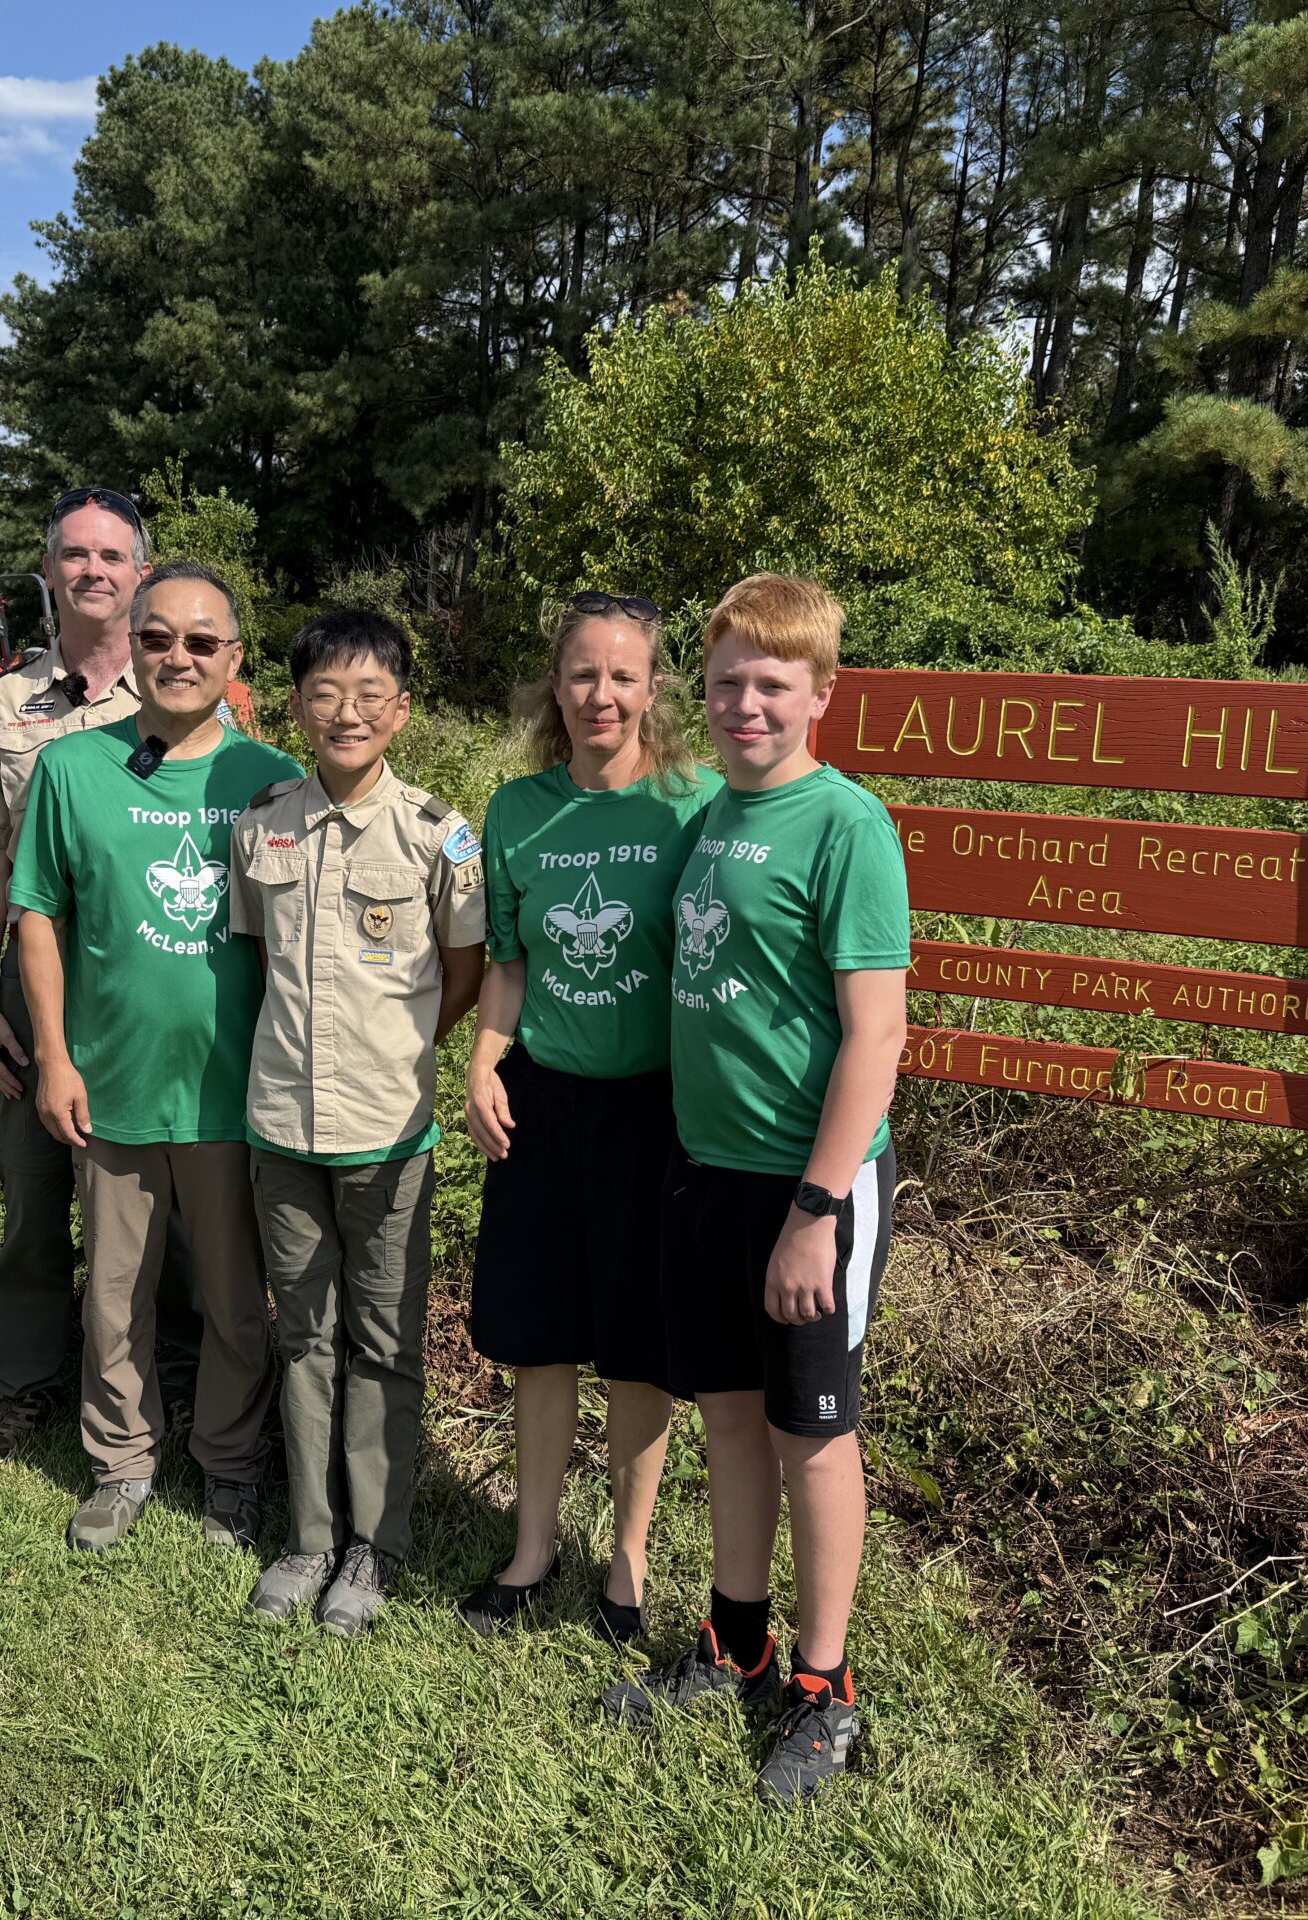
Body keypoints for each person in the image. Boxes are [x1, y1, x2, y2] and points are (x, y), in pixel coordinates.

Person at [599, 573, 909, 1808]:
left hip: (803, 1185)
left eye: (771, 685)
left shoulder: (846, 826)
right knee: (728, 1414)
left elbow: (875, 1038)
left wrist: (818, 1211)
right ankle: (735, 1642)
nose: (743, 705)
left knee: (811, 1432)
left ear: (822, 695)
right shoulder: (712, 818)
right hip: (704, 1174)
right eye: (725, 682)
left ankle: (824, 1691)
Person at [7, 561, 302, 1552]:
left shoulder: (269, 782)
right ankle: (121, 1461)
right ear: (130, 646)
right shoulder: (70, 769)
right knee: (115, 1296)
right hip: (112, 1083)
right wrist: (53, 1055)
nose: (179, 656)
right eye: (158, 638)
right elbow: (37, 916)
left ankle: (226, 1468)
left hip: (234, 1095)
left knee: (231, 1303)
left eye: (201, 641)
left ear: (234, 658)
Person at [456, 591, 720, 1641]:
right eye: (581, 674)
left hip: (658, 1111)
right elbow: (509, 963)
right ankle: (531, 1549)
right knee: (542, 1338)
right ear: (551, 687)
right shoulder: (519, 810)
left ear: (652, 687)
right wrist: (483, 1062)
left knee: (639, 1349)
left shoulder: (695, 805)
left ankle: (628, 1561)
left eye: (622, 675)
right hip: (545, 1103)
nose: (600, 694)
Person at [228, 610, 487, 1636]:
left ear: (402, 712)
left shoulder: (435, 831)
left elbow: (460, 973)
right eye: (326, 693)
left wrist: (401, 1047)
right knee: (303, 1338)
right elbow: (254, 964)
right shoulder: (262, 825)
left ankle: (375, 1551)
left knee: (383, 1342)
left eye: (369, 694)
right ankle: (307, 1538)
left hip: (389, 1134)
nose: (347, 711)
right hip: (280, 1126)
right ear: (294, 707)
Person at [0, 487, 204, 1469]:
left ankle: (171, 1375)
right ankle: (23, 1383)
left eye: (111, 555)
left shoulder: (180, 690)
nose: (92, 571)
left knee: (166, 1208)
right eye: (73, 555)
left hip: (150, 988)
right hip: (31, 992)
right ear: (48, 570)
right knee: (31, 1192)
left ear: (143, 570)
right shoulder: (9, 705)